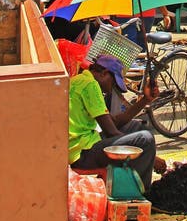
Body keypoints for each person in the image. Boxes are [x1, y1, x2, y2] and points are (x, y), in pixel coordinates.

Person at [68, 54, 163, 189]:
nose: (111, 87)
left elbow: (114, 122)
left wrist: (145, 100)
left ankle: (130, 180)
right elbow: (111, 131)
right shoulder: (91, 85)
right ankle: (140, 193)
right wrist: (151, 158)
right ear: (104, 73)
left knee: (135, 127)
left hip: (82, 147)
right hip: (82, 154)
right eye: (112, 82)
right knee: (145, 140)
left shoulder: (79, 80)